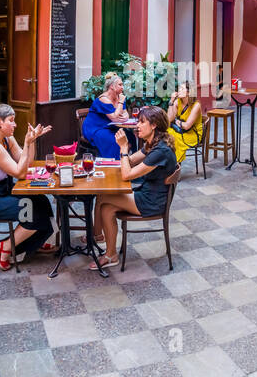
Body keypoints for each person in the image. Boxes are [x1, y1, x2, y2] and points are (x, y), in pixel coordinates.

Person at [89, 106, 178, 270]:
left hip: (152, 202)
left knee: (102, 197)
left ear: (154, 126)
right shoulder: (153, 144)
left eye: (142, 122)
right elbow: (130, 162)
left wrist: (123, 149)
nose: (137, 125)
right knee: (107, 207)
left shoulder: (160, 151)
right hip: (147, 194)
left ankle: (96, 238)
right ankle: (110, 254)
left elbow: (127, 175)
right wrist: (123, 154)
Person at [0, 104, 55, 271]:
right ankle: (4, 247)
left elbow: (26, 162)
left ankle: (34, 243)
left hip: (1, 192)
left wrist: (31, 142)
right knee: (32, 211)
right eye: (11, 121)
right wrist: (27, 141)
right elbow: (19, 173)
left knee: (41, 201)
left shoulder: (7, 139)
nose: (15, 125)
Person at [82, 73, 130, 158]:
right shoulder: (103, 99)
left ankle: (128, 162)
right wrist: (121, 102)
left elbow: (125, 113)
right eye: (120, 85)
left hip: (110, 127)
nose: (123, 87)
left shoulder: (120, 97)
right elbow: (115, 118)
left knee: (130, 136)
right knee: (113, 141)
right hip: (96, 128)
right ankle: (113, 165)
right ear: (112, 86)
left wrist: (126, 116)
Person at [167, 81, 203, 163]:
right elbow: (170, 119)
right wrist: (171, 102)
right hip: (180, 130)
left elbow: (187, 126)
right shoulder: (177, 101)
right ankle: (168, 162)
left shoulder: (196, 105)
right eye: (179, 88)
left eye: (182, 89)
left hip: (192, 134)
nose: (178, 90)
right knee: (164, 135)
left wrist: (176, 121)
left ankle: (174, 164)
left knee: (173, 138)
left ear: (189, 92)